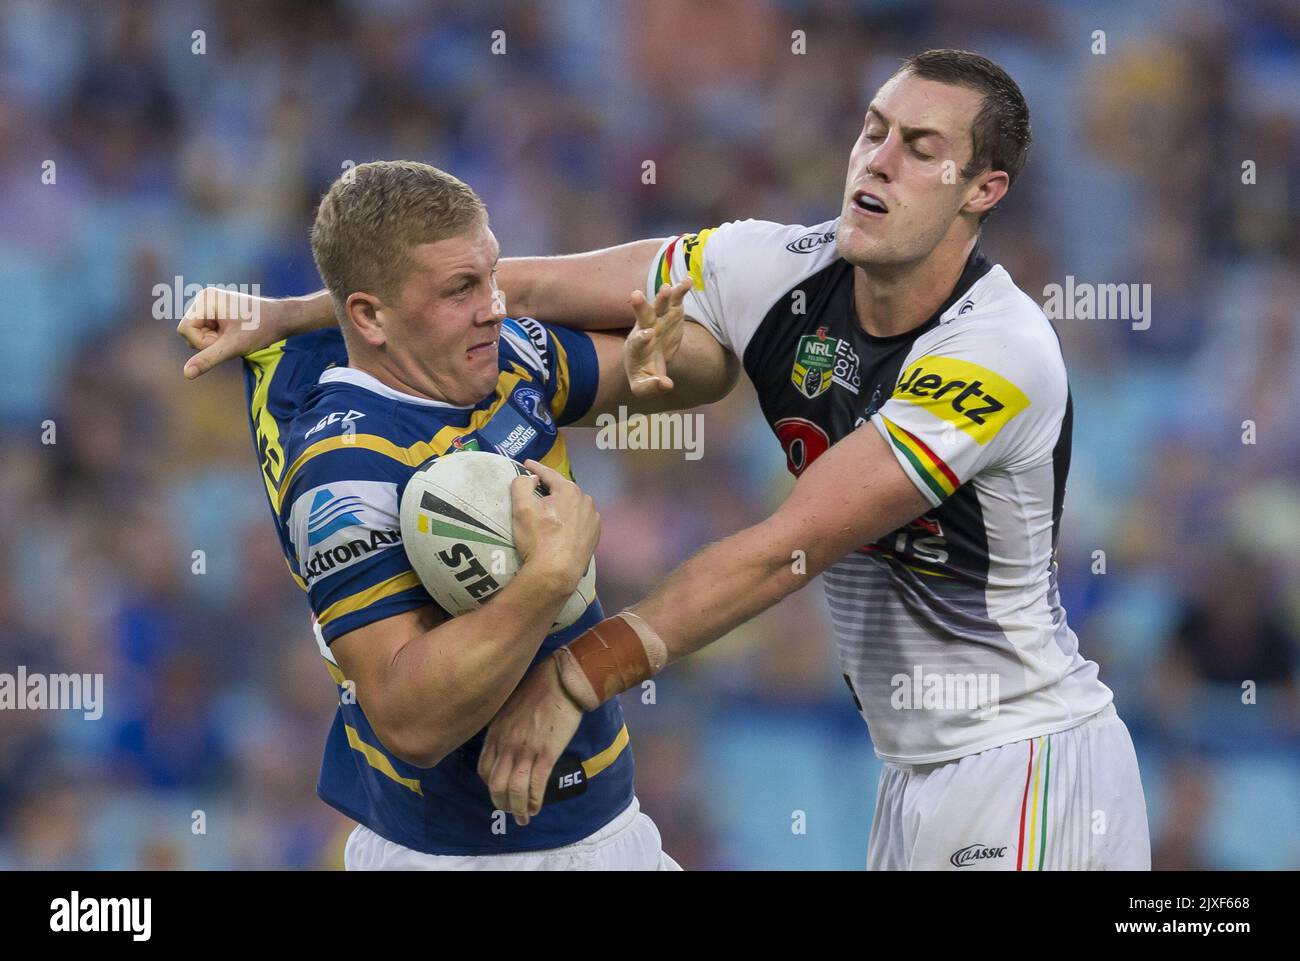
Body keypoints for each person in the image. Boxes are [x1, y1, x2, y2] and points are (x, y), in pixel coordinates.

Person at [179, 50, 1151, 871]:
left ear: (983, 191)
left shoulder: (998, 351)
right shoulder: (778, 264)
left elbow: (787, 547)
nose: (879, 157)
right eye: (873, 128)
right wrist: (294, 314)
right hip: (911, 767)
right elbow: (516, 285)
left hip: (1026, 756)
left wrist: (573, 678)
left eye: (921, 147)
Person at [182, 159, 733, 870]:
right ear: (370, 316)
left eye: (493, 276)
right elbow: (408, 719)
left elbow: (706, 373)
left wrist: (660, 351)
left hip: (611, 829)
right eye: (460, 289)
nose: (495, 305)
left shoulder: (501, 355)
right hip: (457, 855)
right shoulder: (343, 474)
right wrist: (550, 575)